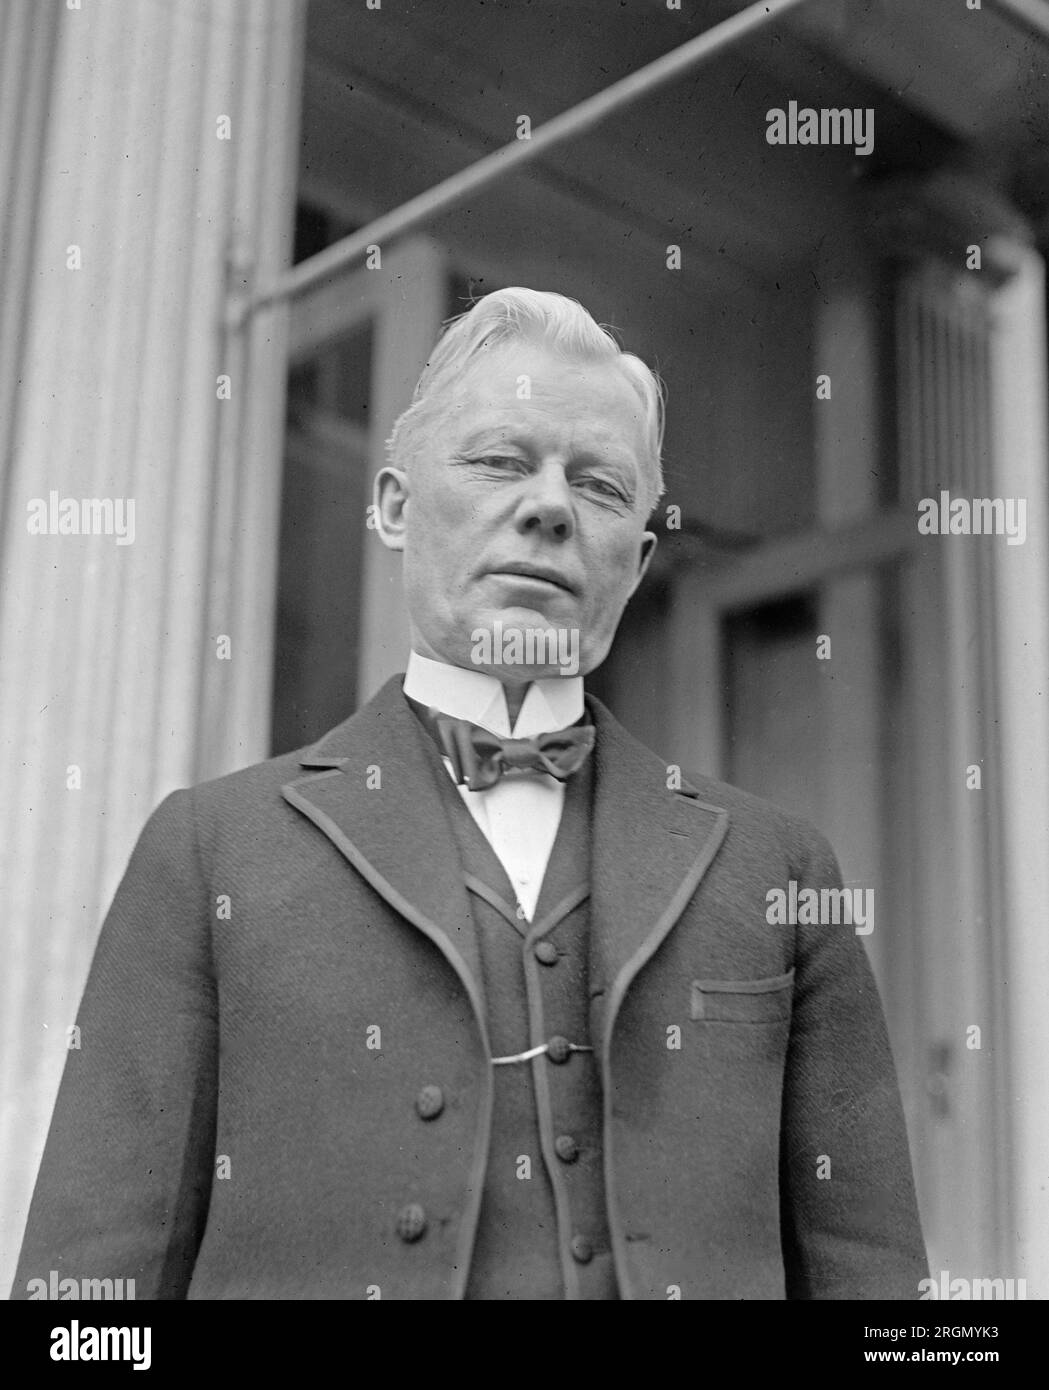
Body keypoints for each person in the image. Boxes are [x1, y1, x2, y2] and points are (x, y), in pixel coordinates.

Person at [14, 288, 927, 1300]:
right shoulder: (210, 851)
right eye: (500, 460)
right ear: (394, 506)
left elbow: (875, 1291)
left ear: (637, 561)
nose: (548, 506)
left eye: (600, 487)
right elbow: (87, 1290)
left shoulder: (777, 870)